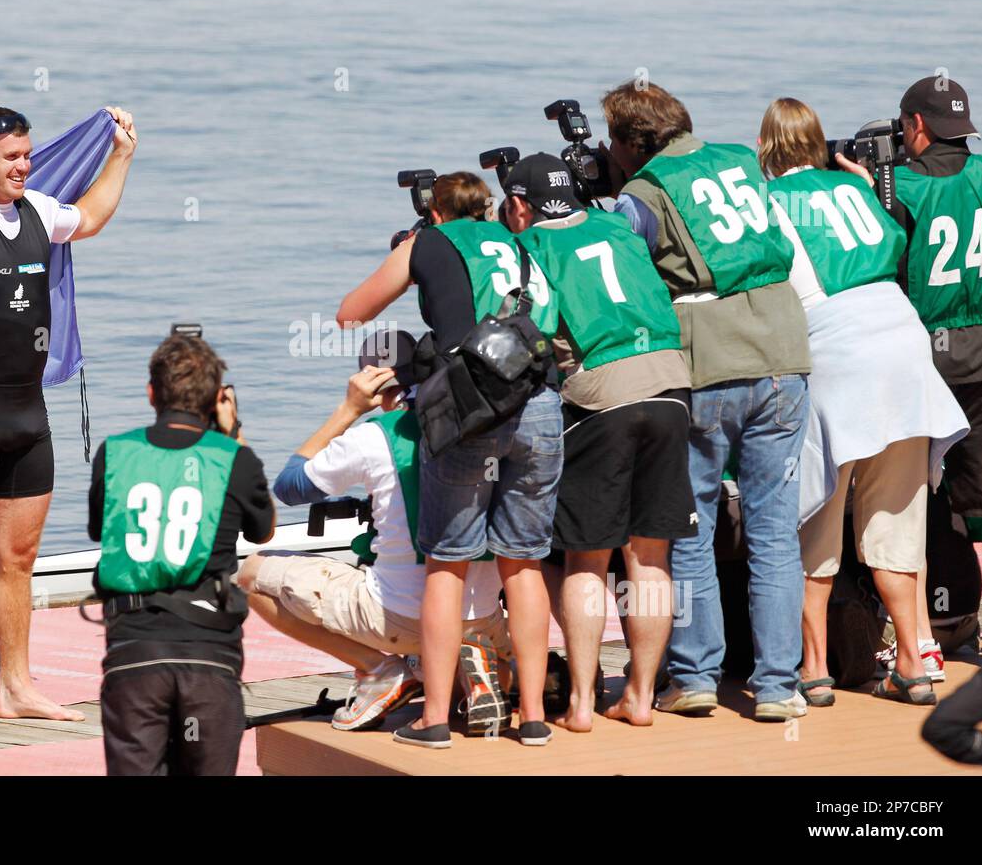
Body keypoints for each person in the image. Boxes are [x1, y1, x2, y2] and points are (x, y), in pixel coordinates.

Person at [0, 106, 136, 731]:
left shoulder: (38, 209)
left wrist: (121, 155)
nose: (24, 166)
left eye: (28, 155)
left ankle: (14, 687)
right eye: (11, 157)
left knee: (19, 558)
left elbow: (89, 219)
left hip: (28, 417)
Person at [603, 80, 812, 721]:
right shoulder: (740, 160)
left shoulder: (642, 192)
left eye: (614, 140)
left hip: (708, 359)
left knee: (689, 526)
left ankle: (695, 677)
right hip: (781, 349)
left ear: (633, 142)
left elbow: (620, 268)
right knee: (776, 532)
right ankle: (779, 687)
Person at [338, 171, 562, 748]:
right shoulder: (520, 238)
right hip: (538, 401)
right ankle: (532, 717)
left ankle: (434, 719)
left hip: (469, 410)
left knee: (446, 563)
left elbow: (351, 311)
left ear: (433, 213)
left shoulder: (427, 243)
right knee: (525, 563)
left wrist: (418, 269)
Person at [760, 97, 968, 707]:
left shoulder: (770, 201)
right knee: (897, 527)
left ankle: (815, 669)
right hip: (902, 345)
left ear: (768, 149)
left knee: (813, 520)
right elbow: (897, 241)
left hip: (836, 353)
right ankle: (914, 662)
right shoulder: (855, 190)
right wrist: (857, 178)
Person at [503, 153, 694, 731]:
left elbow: (529, 328)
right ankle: (638, 696)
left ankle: (583, 703)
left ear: (519, 206)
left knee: (588, 556)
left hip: (601, 391)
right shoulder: (616, 223)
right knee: (651, 554)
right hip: (670, 382)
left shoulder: (530, 247)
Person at [242, 338, 512, 735]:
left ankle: (380, 669)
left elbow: (288, 486)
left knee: (250, 575)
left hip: (397, 619)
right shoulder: (492, 424)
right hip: (484, 616)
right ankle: (480, 664)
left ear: (372, 381)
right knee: (470, 621)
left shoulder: (374, 436)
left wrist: (348, 410)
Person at [841, 76, 982, 682]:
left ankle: (930, 627)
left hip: (922, 361)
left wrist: (861, 190)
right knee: (980, 497)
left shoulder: (894, 188)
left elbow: (873, 265)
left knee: (915, 498)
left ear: (916, 128)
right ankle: (957, 621)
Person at [89, 333, 275, 775]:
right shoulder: (234, 459)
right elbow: (263, 529)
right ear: (215, 399)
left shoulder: (113, 454)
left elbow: (102, 529)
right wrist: (233, 435)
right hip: (209, 657)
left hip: (134, 655)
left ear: (151, 392)